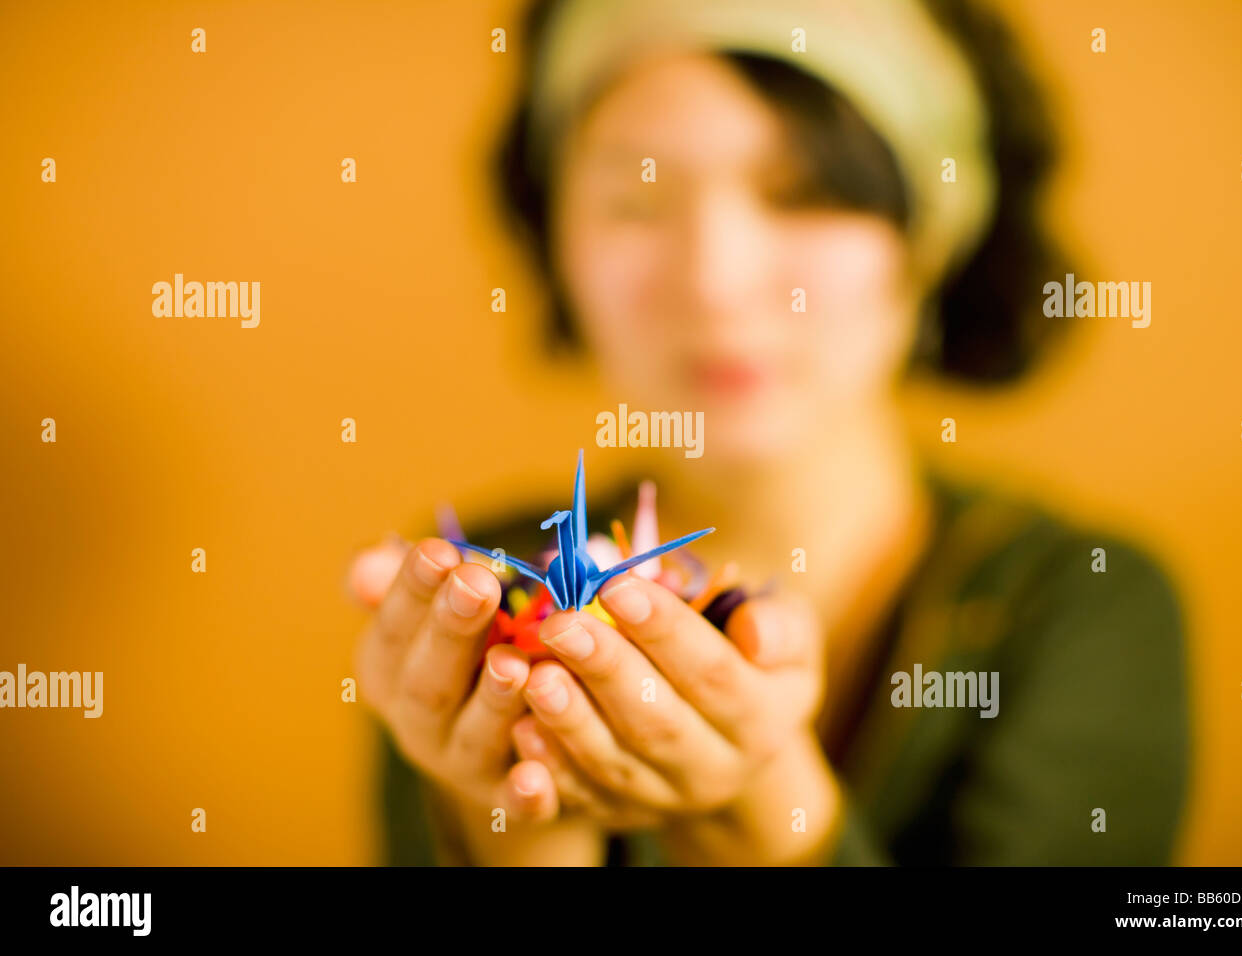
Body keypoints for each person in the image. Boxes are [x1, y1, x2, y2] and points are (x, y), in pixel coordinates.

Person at [349, 0, 1188, 865]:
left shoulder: (1080, 605)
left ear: (929, 239)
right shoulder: (469, 618)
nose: (717, 278)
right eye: (635, 200)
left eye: (809, 195)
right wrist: (520, 824)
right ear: (555, 241)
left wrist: (767, 813)